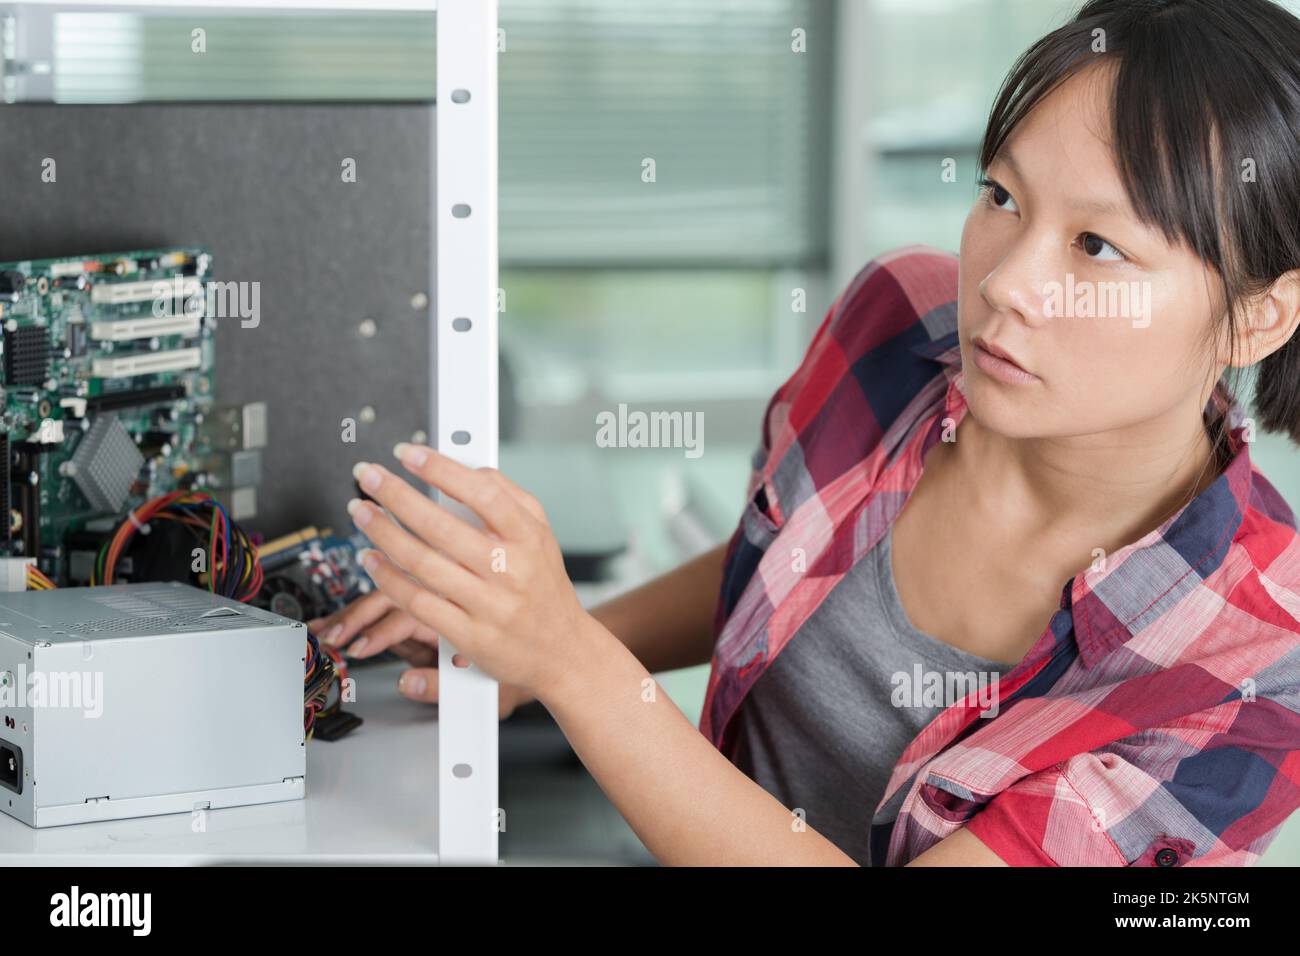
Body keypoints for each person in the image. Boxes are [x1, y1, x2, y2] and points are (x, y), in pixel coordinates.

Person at [308, 0, 1300, 865]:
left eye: (1096, 245)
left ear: (1258, 315)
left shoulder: (1256, 673)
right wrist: (527, 638)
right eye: (1001, 196)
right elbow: (779, 555)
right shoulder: (900, 323)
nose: (1002, 283)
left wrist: (574, 661)